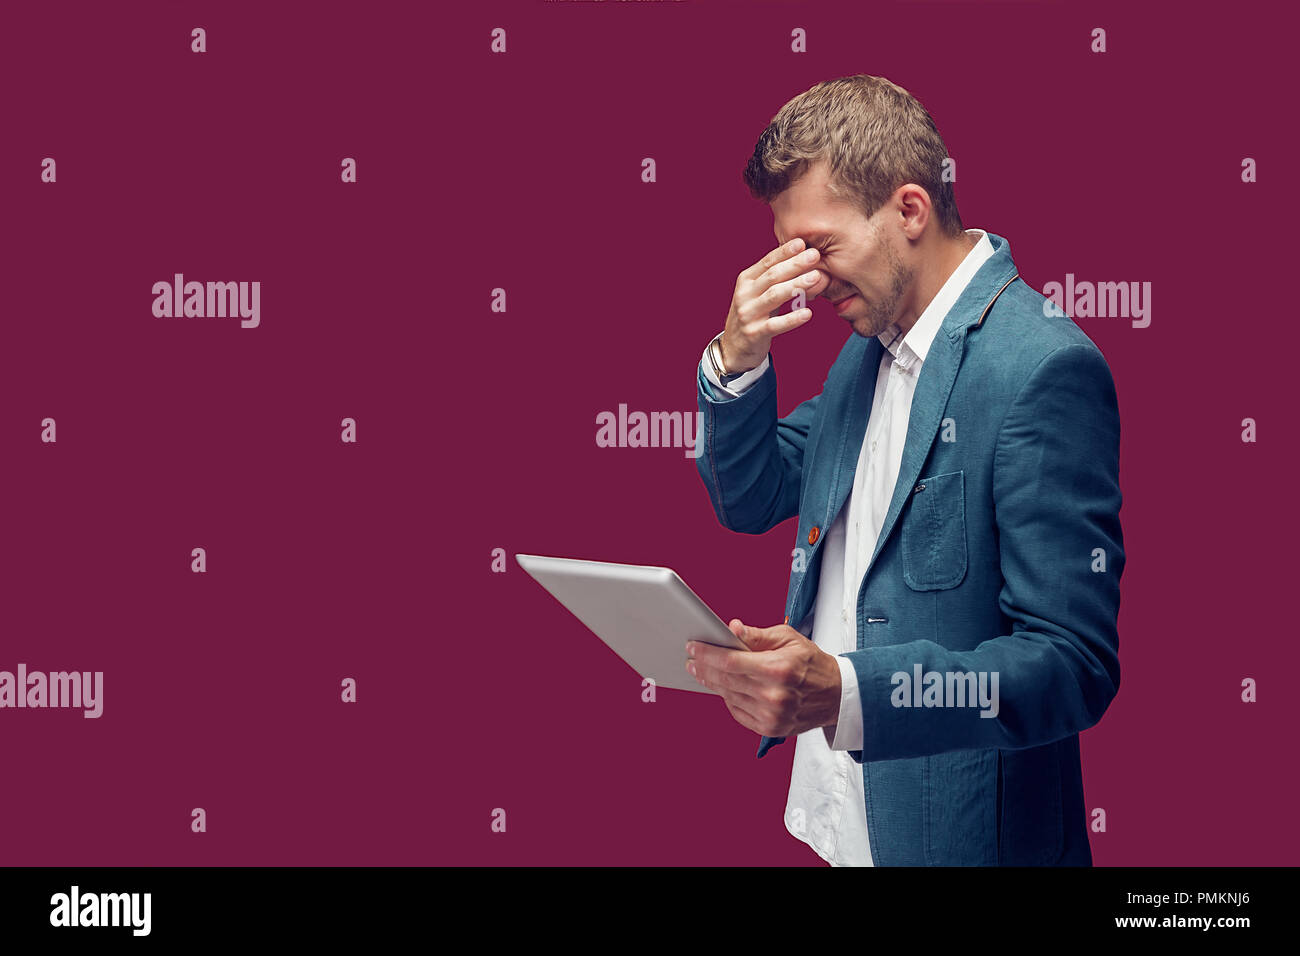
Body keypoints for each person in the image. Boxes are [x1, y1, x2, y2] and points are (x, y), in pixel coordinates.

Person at [687, 74, 1124, 866]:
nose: (809, 282)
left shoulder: (1043, 369)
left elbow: (1071, 665)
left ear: (910, 211)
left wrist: (847, 692)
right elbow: (754, 496)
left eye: (819, 248)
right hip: (838, 823)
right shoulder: (868, 354)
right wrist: (736, 360)